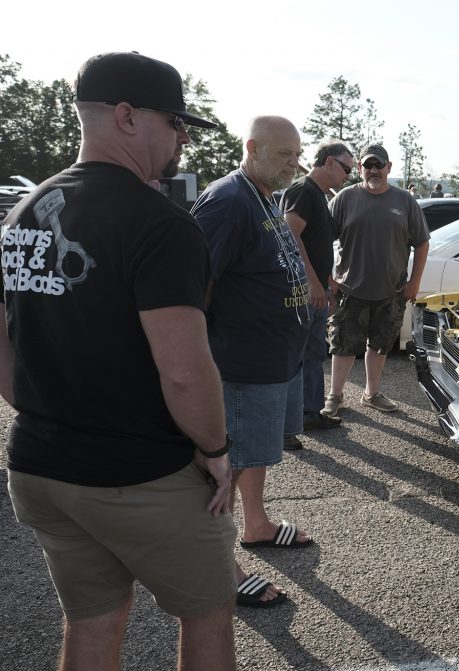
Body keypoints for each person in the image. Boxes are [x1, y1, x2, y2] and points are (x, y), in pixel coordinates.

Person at [2, 52, 236, 670]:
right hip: (137, 473)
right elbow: (185, 370)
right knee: (208, 611)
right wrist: (215, 449)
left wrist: (39, 410)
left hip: (41, 466)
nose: (183, 137)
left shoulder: (25, 212)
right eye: (176, 121)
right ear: (128, 116)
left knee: (92, 622)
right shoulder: (159, 223)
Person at [192, 115, 314, 608]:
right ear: (252, 148)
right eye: (285, 154)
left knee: (254, 453)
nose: (295, 163)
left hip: (270, 360)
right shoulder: (227, 200)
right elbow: (196, 285)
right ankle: (221, 565)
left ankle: (257, 526)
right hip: (239, 364)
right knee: (229, 465)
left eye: (296, 153)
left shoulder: (263, 194)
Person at [322, 144, 429, 418]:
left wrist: (414, 282)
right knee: (343, 345)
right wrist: (329, 278)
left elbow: (422, 243)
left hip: (391, 291)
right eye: (367, 165)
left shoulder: (405, 201)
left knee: (380, 345)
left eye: (378, 165)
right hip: (350, 290)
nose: (373, 170)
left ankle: (371, 393)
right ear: (360, 168)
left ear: (388, 167)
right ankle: (335, 396)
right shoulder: (345, 199)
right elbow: (321, 240)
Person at [280, 140, 354, 441]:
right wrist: (312, 282)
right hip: (302, 291)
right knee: (294, 357)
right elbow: (290, 236)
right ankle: (286, 426)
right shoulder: (302, 191)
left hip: (317, 289)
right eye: (346, 168)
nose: (349, 175)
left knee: (313, 353)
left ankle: (309, 413)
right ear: (329, 162)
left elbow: (316, 243)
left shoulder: (319, 196)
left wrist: (327, 282)